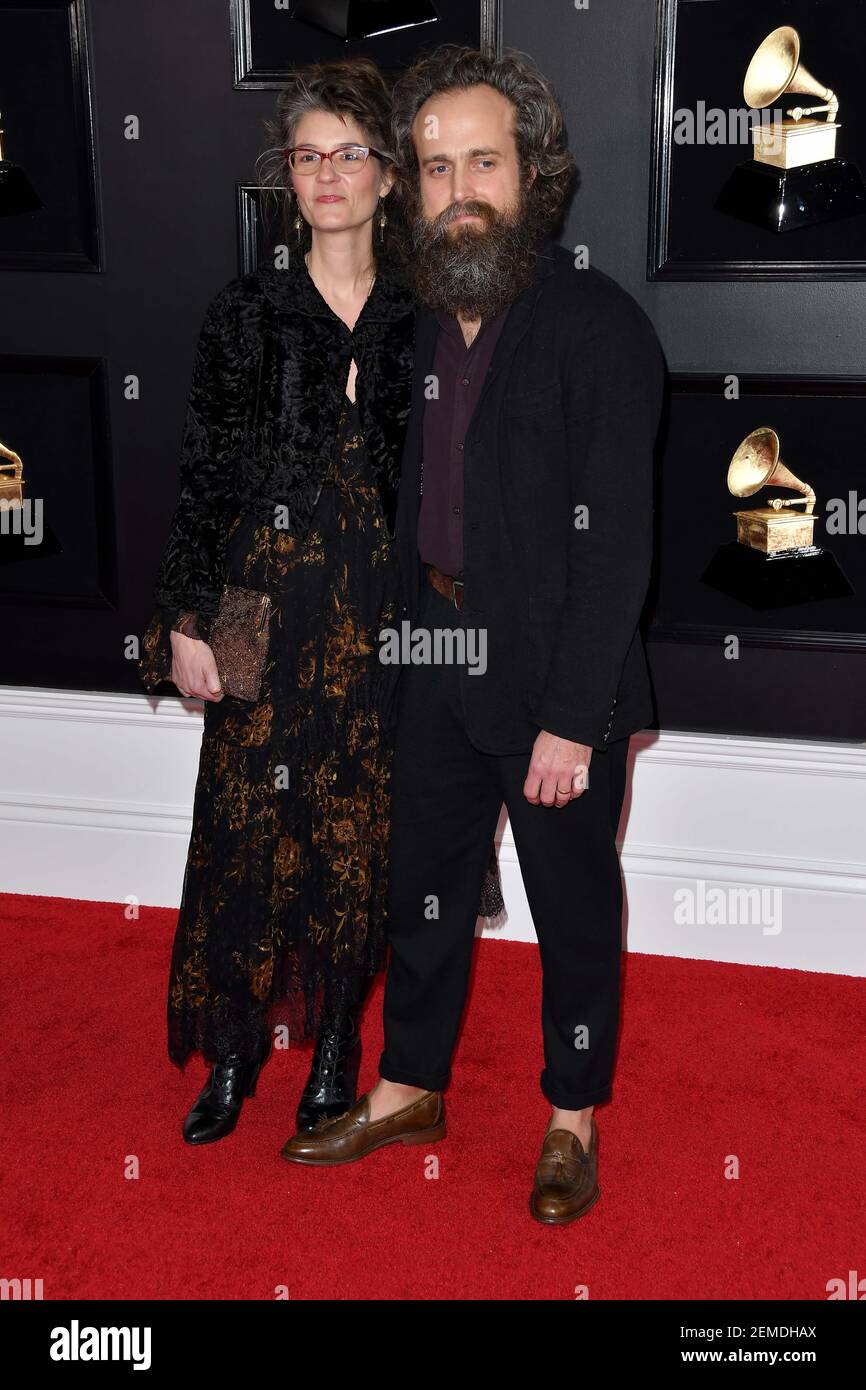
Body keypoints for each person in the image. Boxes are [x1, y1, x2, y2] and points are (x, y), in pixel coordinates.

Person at [279, 45, 667, 1225]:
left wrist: (569, 716)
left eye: (480, 162)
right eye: (435, 164)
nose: (455, 188)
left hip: (553, 671)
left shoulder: (597, 327)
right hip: (429, 655)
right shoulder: (405, 331)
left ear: (532, 174)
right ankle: (409, 1085)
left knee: (570, 900)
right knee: (425, 888)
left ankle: (570, 1113)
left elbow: (615, 551)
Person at [138, 58, 436, 1144]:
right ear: (287, 176)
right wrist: (183, 620)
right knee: (245, 828)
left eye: (348, 153)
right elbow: (201, 476)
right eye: (306, 154)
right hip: (262, 603)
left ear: (387, 176)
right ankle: (230, 1054)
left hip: (376, 613)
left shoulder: (424, 314)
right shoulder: (247, 311)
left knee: (356, 832)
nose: (325, 173)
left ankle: (337, 1049)